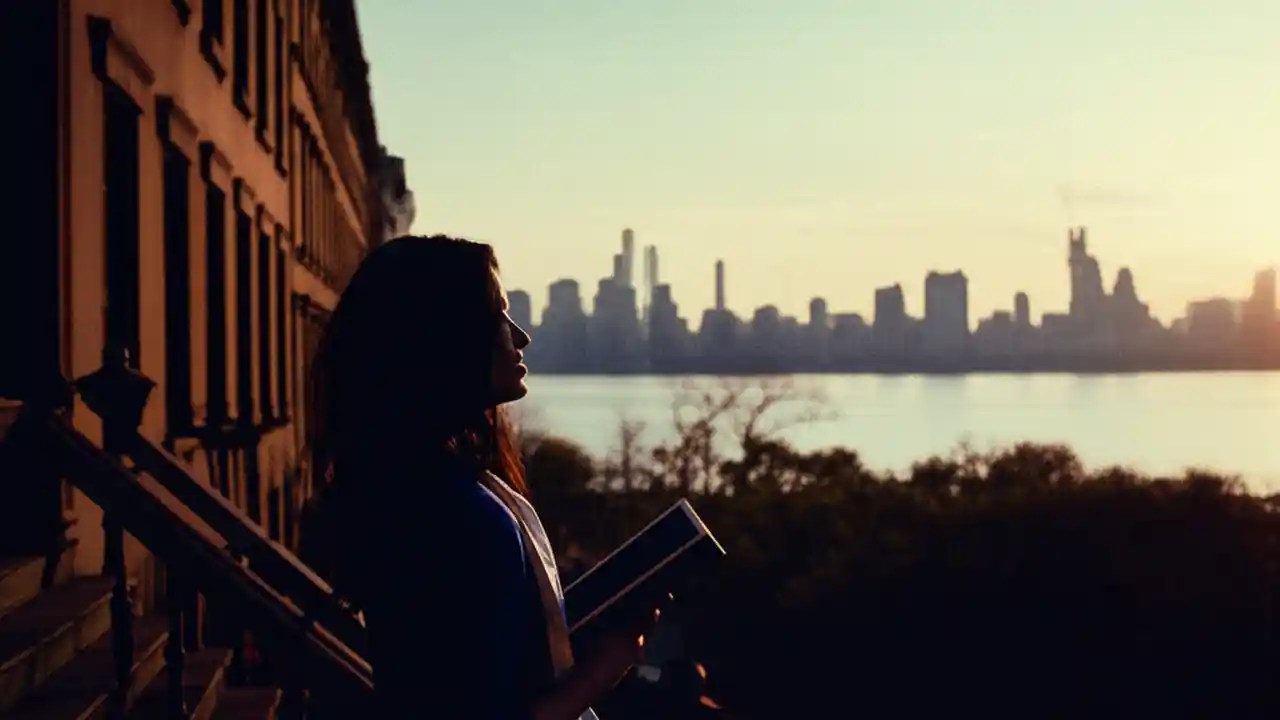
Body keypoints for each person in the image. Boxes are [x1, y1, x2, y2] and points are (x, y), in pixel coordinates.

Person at [310, 235, 653, 718]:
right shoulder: (449, 512)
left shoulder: (420, 487)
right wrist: (605, 668)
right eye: (499, 316)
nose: (521, 336)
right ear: (446, 338)